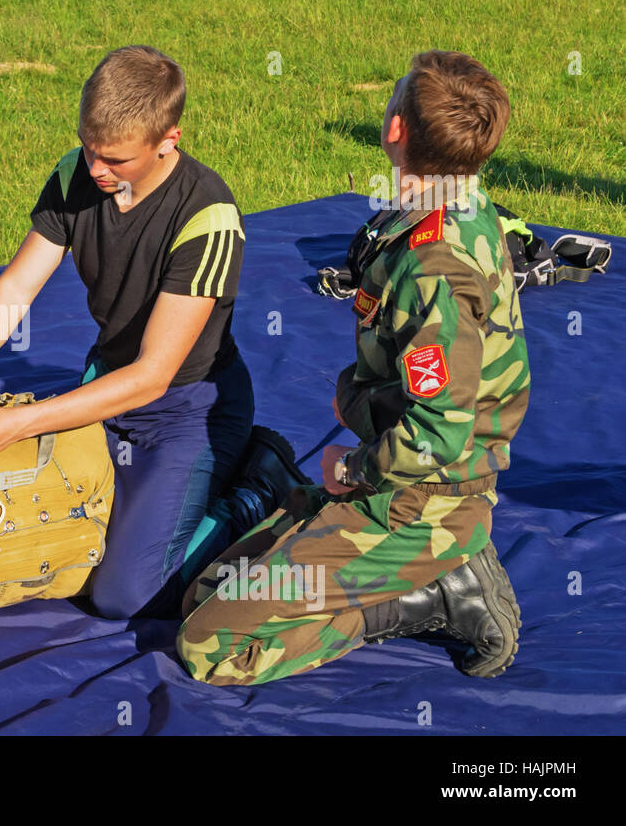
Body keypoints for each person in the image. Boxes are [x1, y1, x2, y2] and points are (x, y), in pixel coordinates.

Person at [0, 45, 305, 620]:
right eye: (89, 150)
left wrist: (20, 421)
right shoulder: (76, 173)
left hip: (186, 407)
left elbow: (153, 376)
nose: (97, 170)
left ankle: (258, 487)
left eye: (116, 160)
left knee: (127, 593)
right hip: (105, 389)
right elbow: (19, 286)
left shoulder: (208, 217)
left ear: (168, 139)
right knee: (59, 541)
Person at [178, 51, 529, 684]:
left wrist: (353, 468)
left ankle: (427, 596)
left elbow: (441, 431)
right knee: (203, 592)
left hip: (417, 501)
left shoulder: (434, 266)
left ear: (395, 129)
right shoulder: (449, 205)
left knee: (211, 649)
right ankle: (405, 561)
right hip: (404, 482)